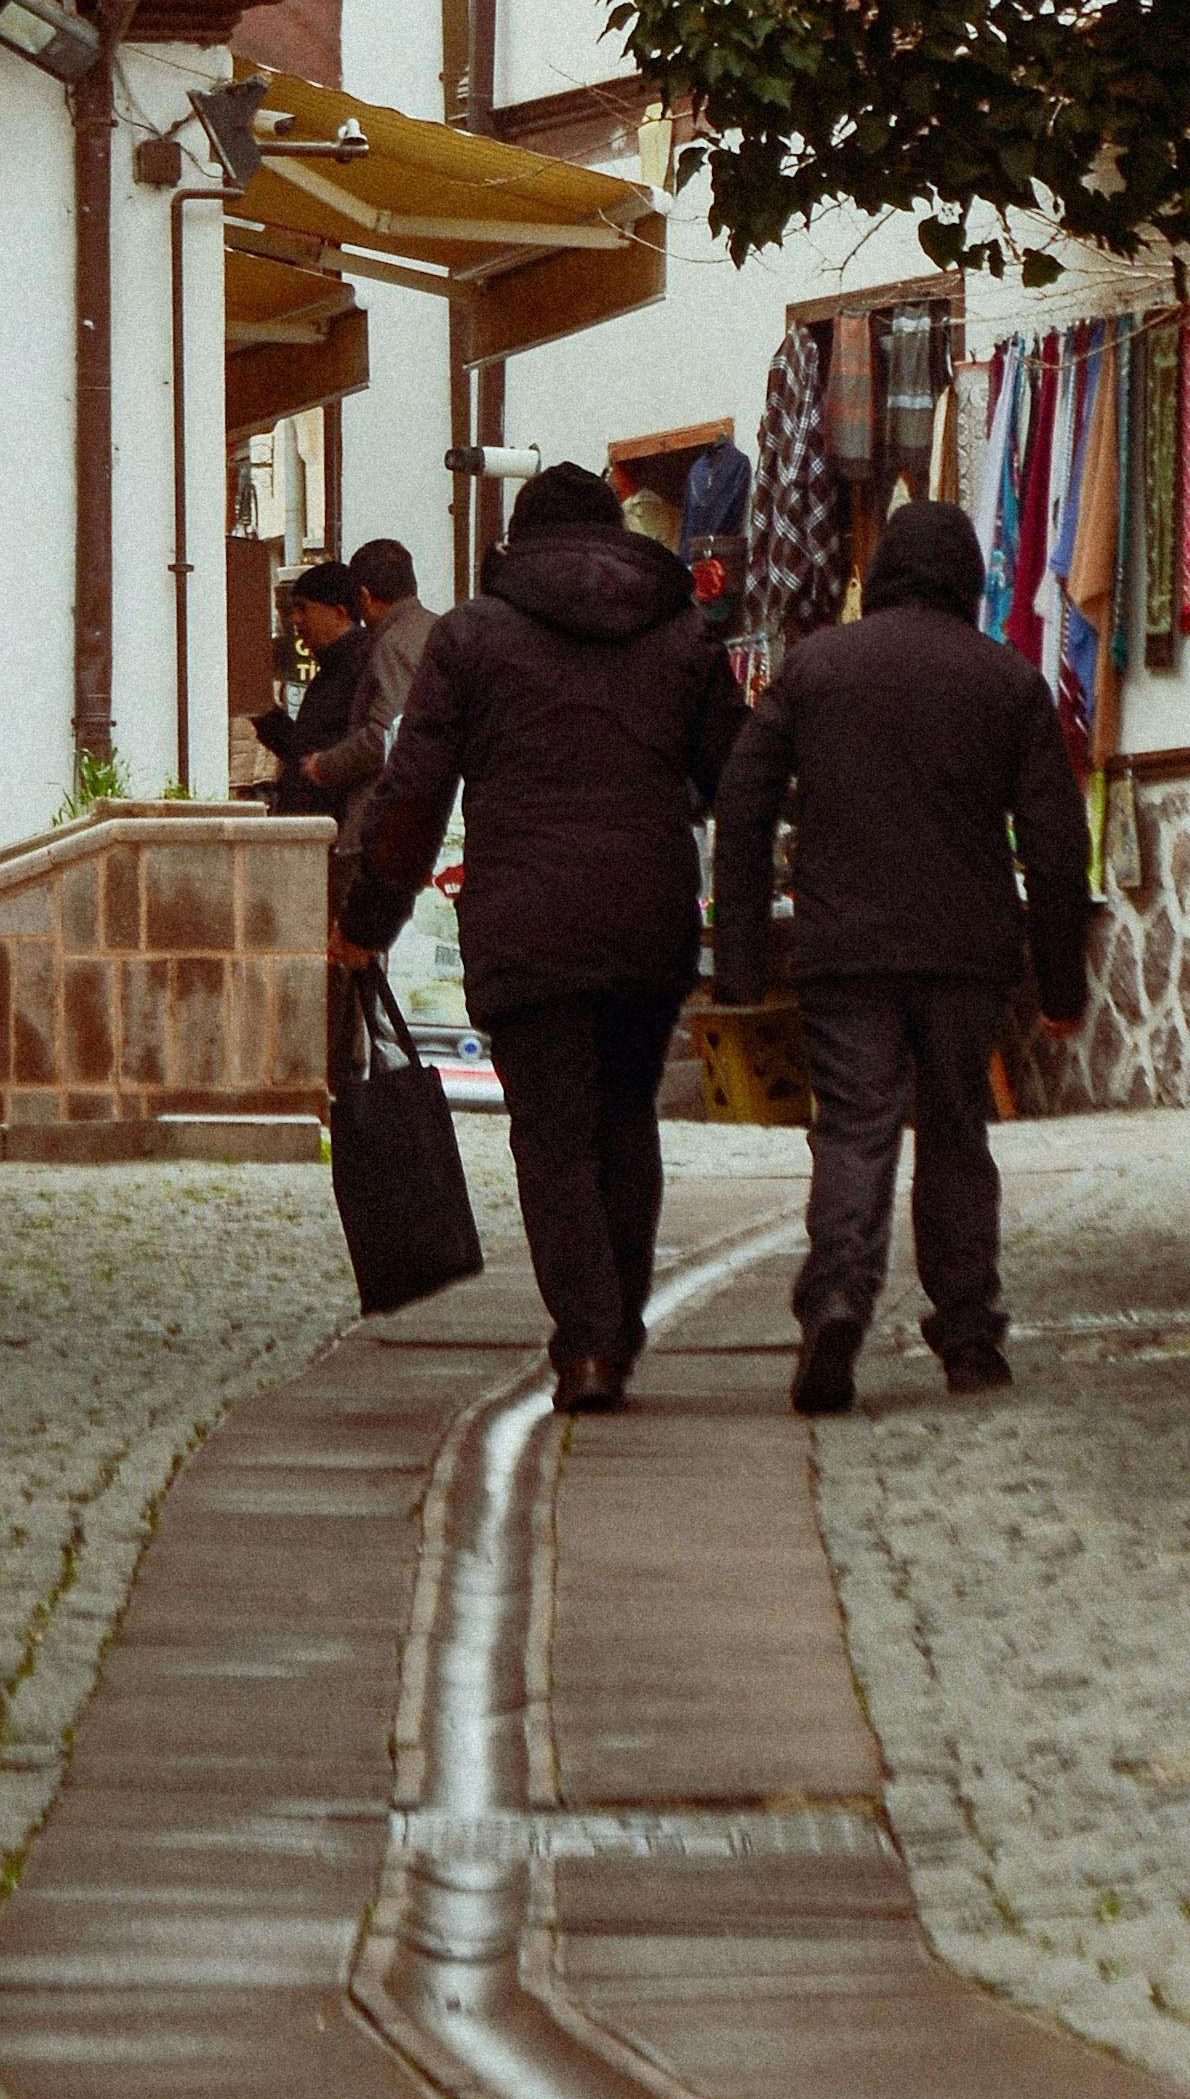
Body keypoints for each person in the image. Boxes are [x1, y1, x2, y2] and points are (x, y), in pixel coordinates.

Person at [333, 462, 744, 1412]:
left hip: (524, 920)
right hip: (647, 916)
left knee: (552, 1134)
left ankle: (591, 1344)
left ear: (521, 540)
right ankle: (617, 1327)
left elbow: (415, 794)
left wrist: (369, 920)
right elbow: (734, 766)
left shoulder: (473, 636)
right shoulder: (680, 631)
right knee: (626, 1121)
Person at [711, 498, 1090, 1417]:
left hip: (844, 946)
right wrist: (1062, 979)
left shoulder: (817, 668)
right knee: (958, 1130)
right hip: (966, 949)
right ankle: (967, 1335)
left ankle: (838, 1293)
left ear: (880, 578)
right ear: (967, 578)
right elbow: (1054, 840)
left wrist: (739, 961)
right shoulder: (1006, 682)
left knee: (853, 1125)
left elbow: (744, 804)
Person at [297, 535, 437, 910]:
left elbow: (384, 734)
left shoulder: (391, 643)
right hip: (434, 818)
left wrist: (325, 765)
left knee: (360, 951)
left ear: (363, 595)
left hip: (381, 826)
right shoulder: (440, 630)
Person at [251, 562, 369, 817]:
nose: (295, 619)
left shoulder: (360, 667)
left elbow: (319, 756)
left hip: (330, 826)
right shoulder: (334, 667)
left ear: (339, 612)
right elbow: (304, 752)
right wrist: (265, 714)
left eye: (303, 608)